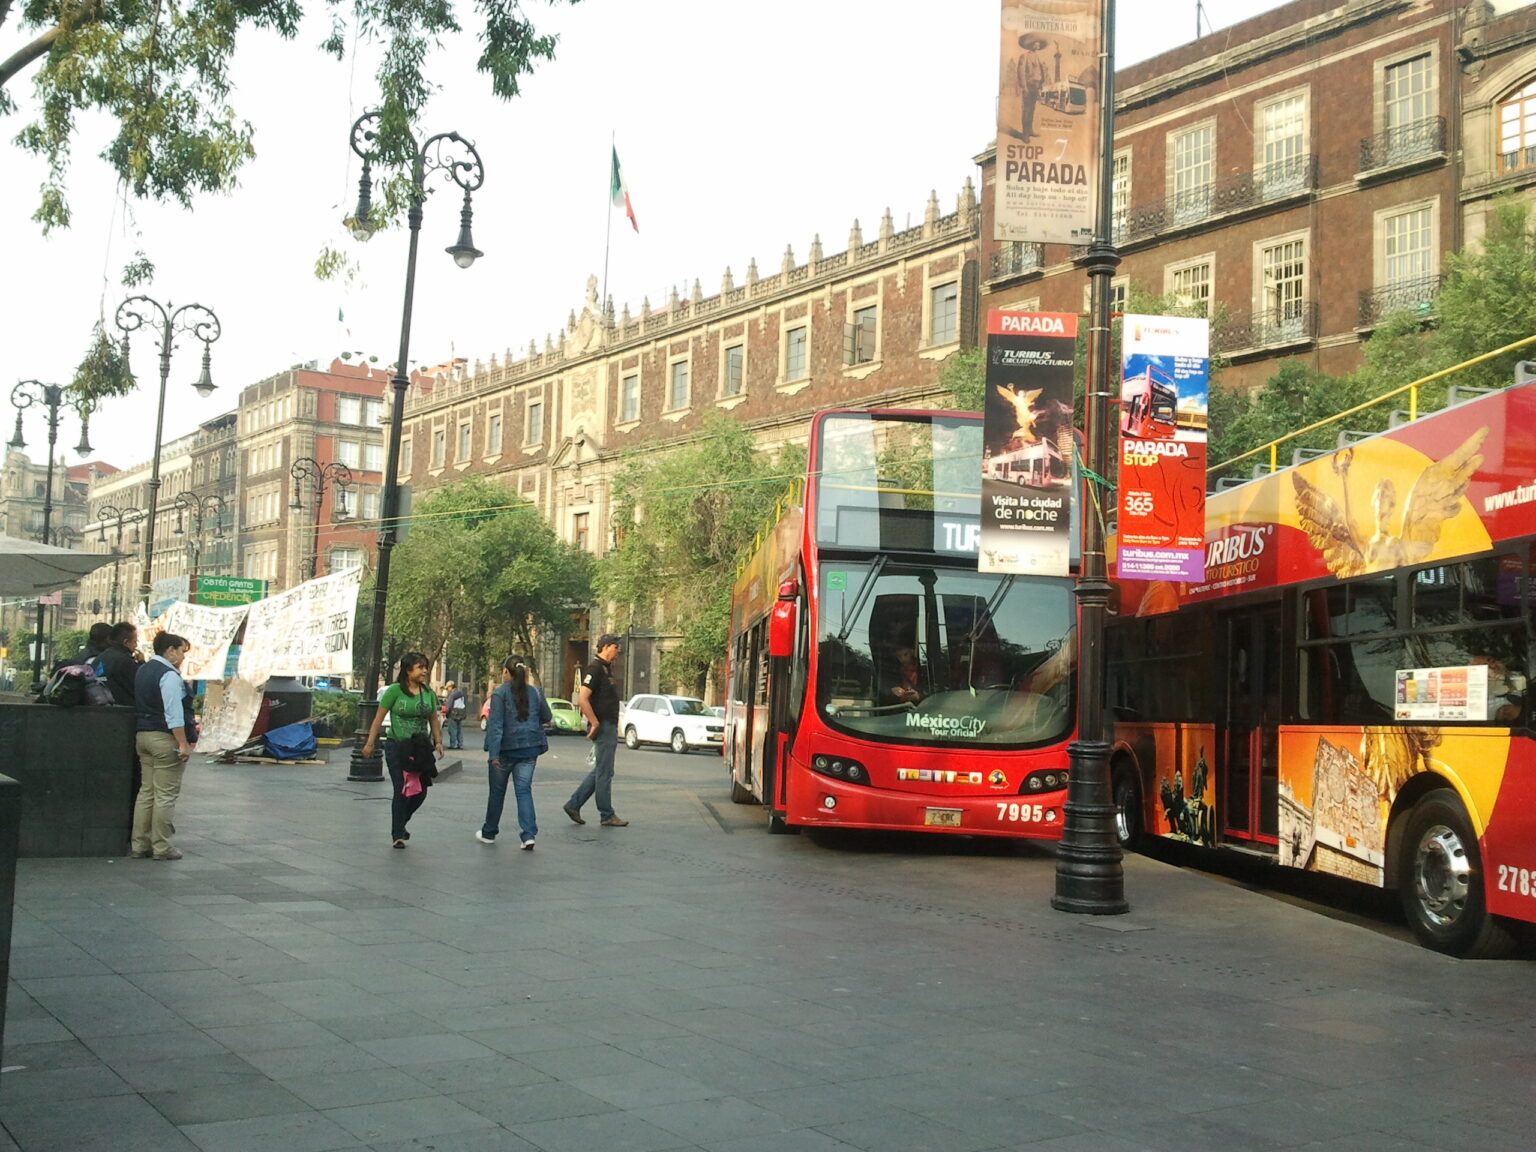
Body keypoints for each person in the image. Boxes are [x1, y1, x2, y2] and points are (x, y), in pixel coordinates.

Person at [361, 652, 444, 849]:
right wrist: (370, 743)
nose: (424, 671)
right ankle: (398, 834)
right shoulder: (395, 691)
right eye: (420, 667)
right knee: (401, 789)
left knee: (421, 791)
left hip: (420, 749)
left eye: (425, 667)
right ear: (408, 671)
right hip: (397, 746)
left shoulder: (428, 693)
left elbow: (433, 718)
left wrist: (438, 741)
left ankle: (401, 821)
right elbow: (378, 718)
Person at [130, 631, 197, 861]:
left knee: (146, 792)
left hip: (143, 734)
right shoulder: (169, 675)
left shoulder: (143, 670)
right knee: (165, 795)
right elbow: (174, 714)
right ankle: (162, 846)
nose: (182, 656)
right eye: (181, 651)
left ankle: (139, 844)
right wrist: (182, 743)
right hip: (164, 738)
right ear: (170, 650)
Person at [479, 658, 552, 849]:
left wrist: (493, 754)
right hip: (529, 750)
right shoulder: (535, 692)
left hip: (504, 751)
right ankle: (528, 835)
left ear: (505, 672)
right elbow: (547, 716)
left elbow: (495, 726)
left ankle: (489, 832)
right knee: (523, 791)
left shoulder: (499, 694)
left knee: (497, 792)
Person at [564, 633, 627, 827]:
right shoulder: (595, 668)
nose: (618, 651)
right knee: (605, 772)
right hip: (603, 725)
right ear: (606, 647)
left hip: (608, 724)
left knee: (601, 770)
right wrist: (595, 722)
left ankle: (574, 804)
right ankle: (606, 814)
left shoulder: (606, 669)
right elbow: (582, 698)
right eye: (616, 647)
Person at [97, 621, 139, 707]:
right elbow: (138, 688)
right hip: (123, 711)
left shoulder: (100, 657)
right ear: (126, 642)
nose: (136, 646)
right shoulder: (125, 661)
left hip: (100, 709)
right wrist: (141, 664)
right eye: (135, 642)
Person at [1017, 34, 1049, 141]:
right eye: (1036, 43)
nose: (1038, 45)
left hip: (1036, 86)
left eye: (1039, 43)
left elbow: (1040, 71)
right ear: (1032, 44)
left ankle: (1030, 130)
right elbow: (1021, 72)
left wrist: (1041, 84)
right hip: (1028, 86)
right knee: (1026, 110)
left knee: (1032, 109)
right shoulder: (1024, 56)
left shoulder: (1038, 57)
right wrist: (1024, 87)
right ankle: (1025, 134)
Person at [443, 680, 466, 749]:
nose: (447, 690)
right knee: (459, 729)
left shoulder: (452, 695)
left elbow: (449, 706)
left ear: (451, 687)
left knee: (452, 729)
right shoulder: (461, 693)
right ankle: (460, 744)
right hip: (461, 713)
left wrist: (446, 714)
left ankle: (453, 744)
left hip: (453, 714)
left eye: (447, 688)